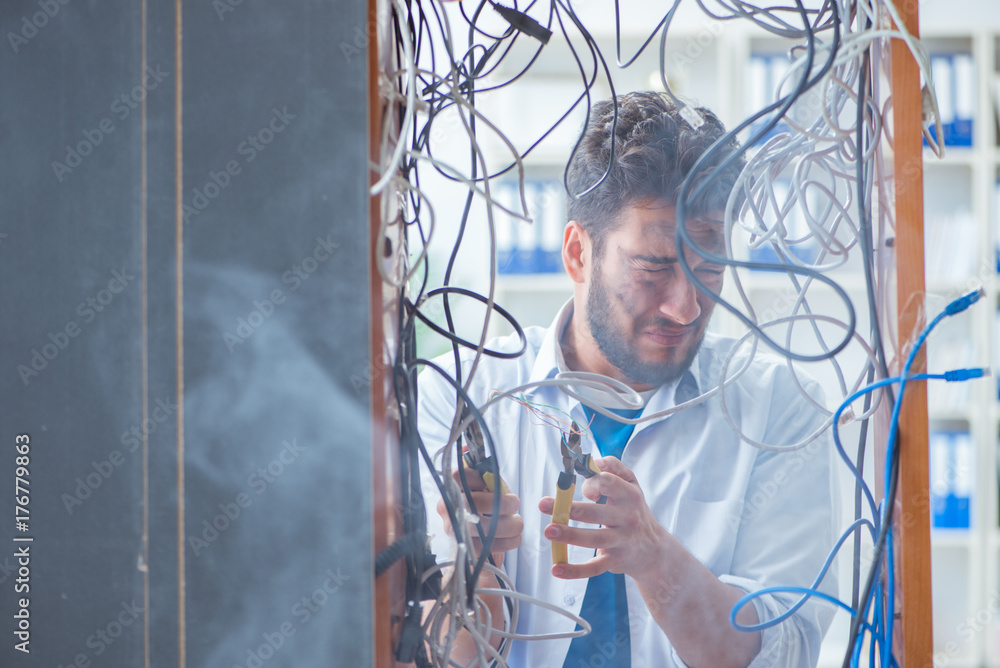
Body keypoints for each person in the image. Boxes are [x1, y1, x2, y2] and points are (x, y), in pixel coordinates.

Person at [418, 91, 838, 668]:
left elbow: (784, 657)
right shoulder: (460, 398)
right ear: (577, 255)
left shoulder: (781, 410)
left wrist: (654, 557)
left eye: (711, 270)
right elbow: (446, 657)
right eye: (654, 269)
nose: (686, 308)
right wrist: (475, 563)